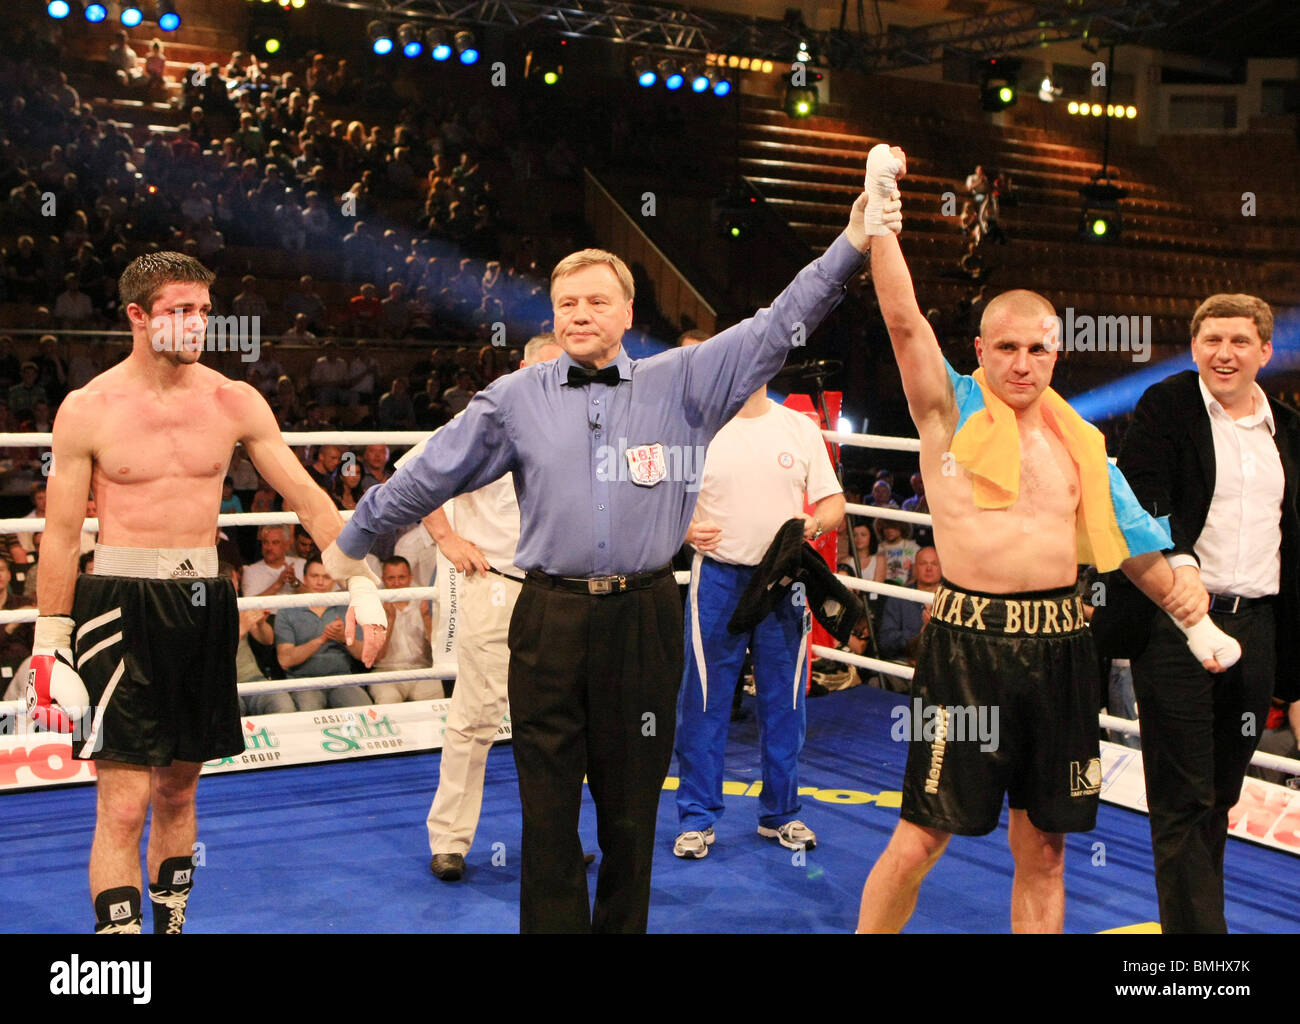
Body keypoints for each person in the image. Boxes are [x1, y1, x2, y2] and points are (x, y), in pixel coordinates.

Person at [324, 186, 887, 933]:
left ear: (627, 315)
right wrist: (353, 540)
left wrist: (850, 245)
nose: (579, 315)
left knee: (631, 807)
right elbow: (431, 472)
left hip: (643, 615)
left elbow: (777, 326)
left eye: (595, 302)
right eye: (566, 303)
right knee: (547, 805)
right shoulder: (514, 397)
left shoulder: (682, 382)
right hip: (548, 616)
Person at [853, 146, 1236, 934]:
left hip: (1065, 650)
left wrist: (1185, 605)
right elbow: (901, 319)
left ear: (1056, 352)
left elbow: (1128, 539)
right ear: (981, 350)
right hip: (965, 649)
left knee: (1048, 849)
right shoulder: (945, 413)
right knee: (922, 836)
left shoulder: (1082, 442)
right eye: (1007, 348)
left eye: (1038, 349)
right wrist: (878, 208)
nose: (1023, 363)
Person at [28, 251, 384, 935]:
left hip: (203, 603)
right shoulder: (89, 408)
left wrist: (362, 577)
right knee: (123, 803)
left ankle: (170, 930)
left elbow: (307, 496)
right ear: (137, 316)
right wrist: (50, 638)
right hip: (118, 605)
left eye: (204, 312)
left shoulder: (233, 400)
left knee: (180, 789)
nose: (197, 326)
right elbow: (64, 532)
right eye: (179, 312)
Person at [1091, 293, 1300, 933]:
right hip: (1177, 623)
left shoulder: (1288, 428)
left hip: (1259, 625)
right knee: (1183, 799)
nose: (1224, 353)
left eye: (1239, 341)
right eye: (1211, 340)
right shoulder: (1169, 405)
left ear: (1266, 351)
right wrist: (1180, 565)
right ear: (1195, 347)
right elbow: (1141, 498)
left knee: (1221, 797)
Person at [672, 333, 845, 859]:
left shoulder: (800, 426)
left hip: (784, 582)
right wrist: (684, 529)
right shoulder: (696, 426)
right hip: (719, 578)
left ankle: (781, 814)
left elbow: (834, 502)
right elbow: (661, 500)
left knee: (785, 701)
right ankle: (697, 817)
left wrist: (814, 523)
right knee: (703, 700)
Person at [422, 334, 563, 882]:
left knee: (559, 723)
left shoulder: (582, 427)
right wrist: (448, 539)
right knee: (475, 715)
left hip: (562, 591)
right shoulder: (485, 423)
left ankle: (554, 846)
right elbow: (418, 479)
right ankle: (450, 841)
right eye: (545, 370)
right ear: (522, 367)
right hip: (497, 582)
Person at [274, 558, 374, 710]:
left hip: (342, 680)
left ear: (333, 581)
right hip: (304, 683)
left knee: (365, 710)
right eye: (315, 576)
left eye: (326, 577)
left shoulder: (346, 607)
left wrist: (344, 637)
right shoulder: (287, 609)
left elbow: (363, 654)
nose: (320, 582)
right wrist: (321, 640)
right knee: (309, 710)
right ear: (305, 579)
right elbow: (285, 660)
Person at [367, 556, 437, 703]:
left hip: (422, 670)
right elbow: (376, 657)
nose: (397, 583)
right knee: (388, 698)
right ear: (383, 579)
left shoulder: (424, 601)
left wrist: (426, 619)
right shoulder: (373, 604)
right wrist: (390, 621)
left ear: (411, 577)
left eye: (401, 577)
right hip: (385, 672)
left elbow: (438, 651)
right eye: (391, 578)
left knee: (434, 700)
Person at [877, 546, 941, 664]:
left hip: (941, 667)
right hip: (904, 665)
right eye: (923, 563)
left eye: (934, 564)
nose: (929, 568)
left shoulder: (953, 601)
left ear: (942, 568)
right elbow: (885, 642)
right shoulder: (898, 597)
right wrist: (919, 633)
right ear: (915, 568)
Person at [242, 524, 306, 597]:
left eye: (275, 543)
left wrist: (294, 581)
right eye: (265, 542)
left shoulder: (302, 565)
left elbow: (315, 597)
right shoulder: (251, 571)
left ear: (287, 545)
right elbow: (249, 605)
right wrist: (278, 584)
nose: (269, 548)